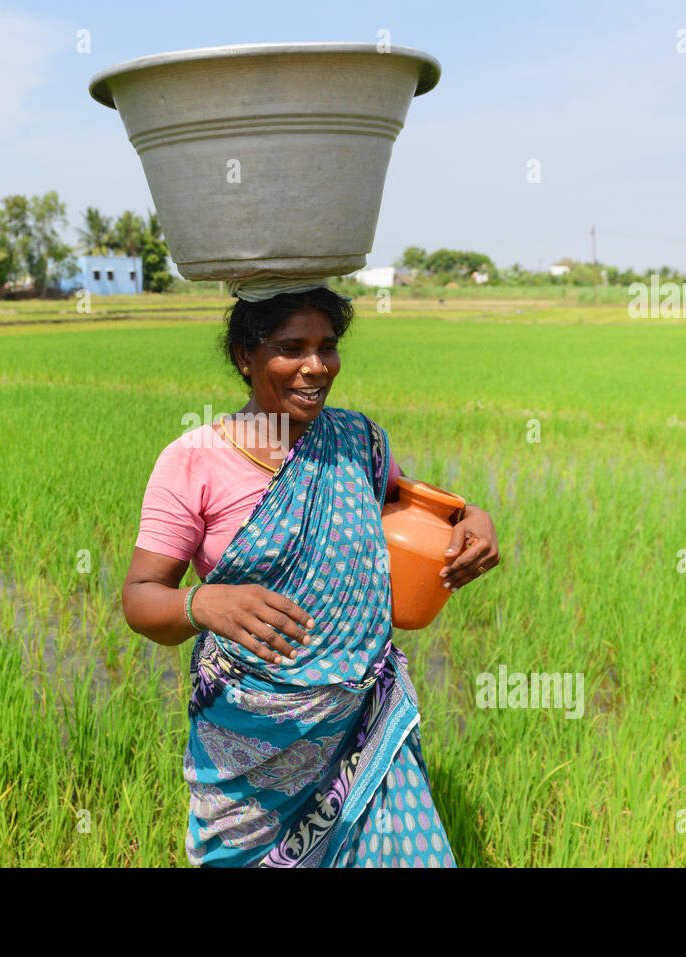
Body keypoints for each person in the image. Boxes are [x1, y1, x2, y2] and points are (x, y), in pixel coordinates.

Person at [120, 278, 500, 867]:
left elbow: (422, 510)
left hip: (360, 728)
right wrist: (204, 605)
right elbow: (142, 598)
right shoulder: (193, 461)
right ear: (246, 357)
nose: (316, 366)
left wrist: (473, 516)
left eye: (328, 346)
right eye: (292, 347)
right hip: (249, 741)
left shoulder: (358, 443)